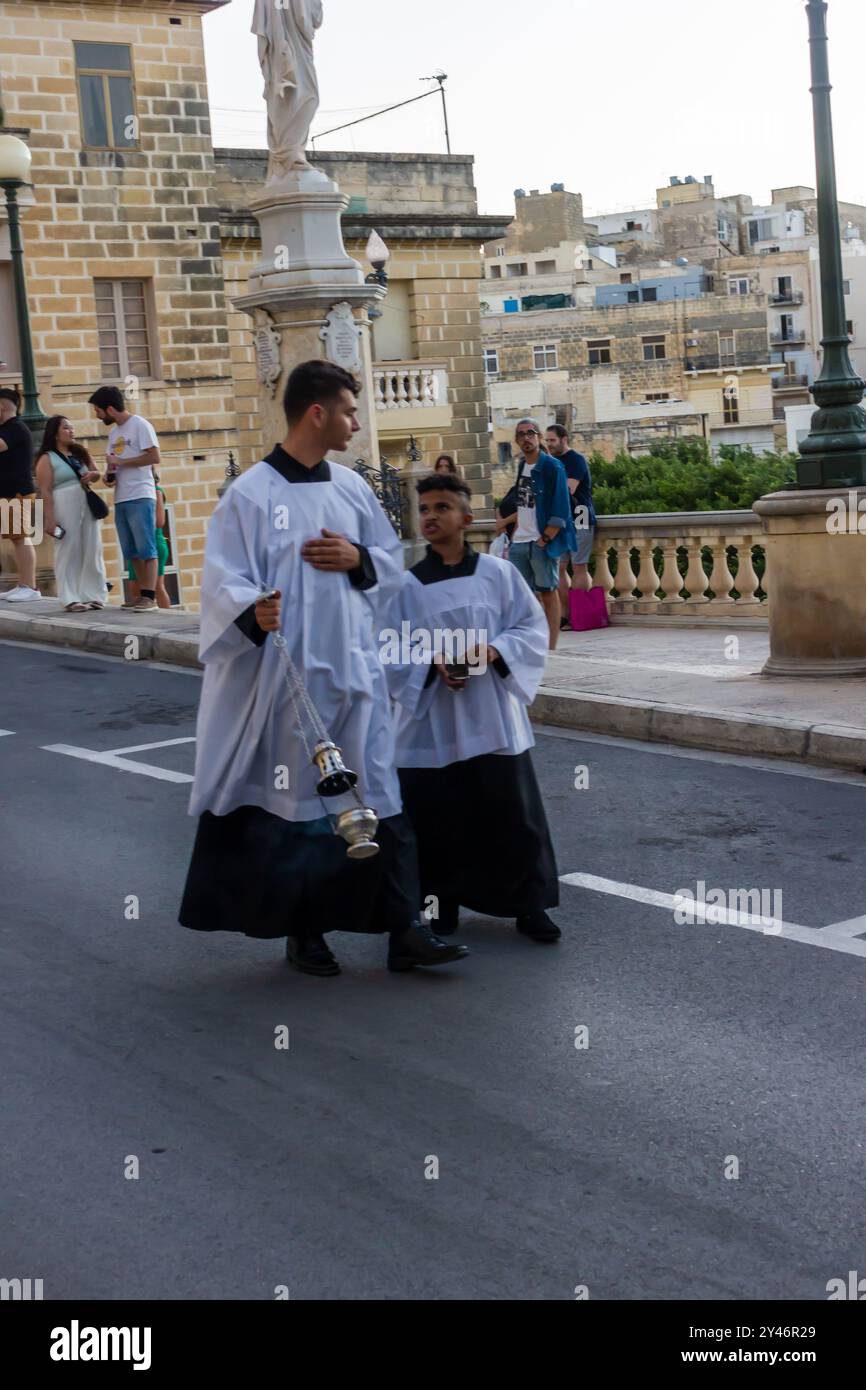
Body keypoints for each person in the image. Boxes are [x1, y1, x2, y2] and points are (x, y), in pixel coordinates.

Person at [179, 360, 468, 979]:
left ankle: (405, 931)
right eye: (348, 410)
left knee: (381, 799)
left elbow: (392, 567)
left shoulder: (352, 488)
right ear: (317, 413)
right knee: (304, 813)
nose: (355, 422)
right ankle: (303, 933)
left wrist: (359, 556)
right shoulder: (249, 495)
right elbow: (221, 584)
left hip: (355, 670)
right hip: (289, 684)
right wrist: (254, 610)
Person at [386, 473, 561, 943]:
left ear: (466, 518)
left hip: (491, 715)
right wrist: (429, 664)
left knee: (512, 814)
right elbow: (384, 648)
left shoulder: (499, 575)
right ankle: (439, 907)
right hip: (431, 723)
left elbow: (530, 628)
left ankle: (530, 905)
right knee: (435, 818)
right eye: (423, 509)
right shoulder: (404, 588)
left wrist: (495, 651)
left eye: (442, 507)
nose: (430, 516)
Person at [497, 419, 576, 651]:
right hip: (520, 541)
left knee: (548, 592)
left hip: (540, 541)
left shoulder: (552, 466)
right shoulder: (523, 465)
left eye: (530, 433)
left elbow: (561, 508)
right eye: (521, 435)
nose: (526, 438)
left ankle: (551, 646)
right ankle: (531, 640)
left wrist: (546, 538)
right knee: (522, 597)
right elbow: (524, 505)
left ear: (539, 437)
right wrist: (510, 528)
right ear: (516, 441)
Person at [87, 385, 160, 613]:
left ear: (110, 408)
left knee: (146, 547)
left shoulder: (140, 425)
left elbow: (154, 456)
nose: (97, 415)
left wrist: (121, 463)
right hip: (122, 496)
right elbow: (114, 466)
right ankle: (139, 595)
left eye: (98, 410)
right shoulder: (114, 434)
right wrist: (110, 475)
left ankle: (150, 596)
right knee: (130, 550)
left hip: (140, 493)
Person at [34, 416, 108, 612]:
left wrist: (93, 475)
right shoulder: (47, 458)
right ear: (55, 433)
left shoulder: (81, 453)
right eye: (66, 428)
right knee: (68, 548)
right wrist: (50, 519)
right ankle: (69, 597)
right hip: (64, 503)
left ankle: (93, 594)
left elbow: (96, 472)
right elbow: (45, 490)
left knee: (92, 547)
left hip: (85, 501)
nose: (71, 431)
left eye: (72, 427)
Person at [545, 425, 596, 627]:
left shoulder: (576, 460)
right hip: (561, 520)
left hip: (580, 515)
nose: (548, 444)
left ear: (564, 439)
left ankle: (580, 614)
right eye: (547, 441)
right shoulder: (551, 462)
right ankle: (565, 615)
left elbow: (569, 490)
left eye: (552, 440)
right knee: (560, 566)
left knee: (579, 566)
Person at [0, 387, 41, 602]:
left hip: (17, 491)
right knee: (16, 539)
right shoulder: (8, 428)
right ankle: (23, 584)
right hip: (8, 492)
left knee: (21, 537)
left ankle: (30, 587)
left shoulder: (15, 428)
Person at [124, 474, 171, 610]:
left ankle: (168, 616)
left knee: (157, 586)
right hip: (138, 543)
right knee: (135, 586)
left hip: (154, 542)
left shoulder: (156, 492)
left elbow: (160, 521)